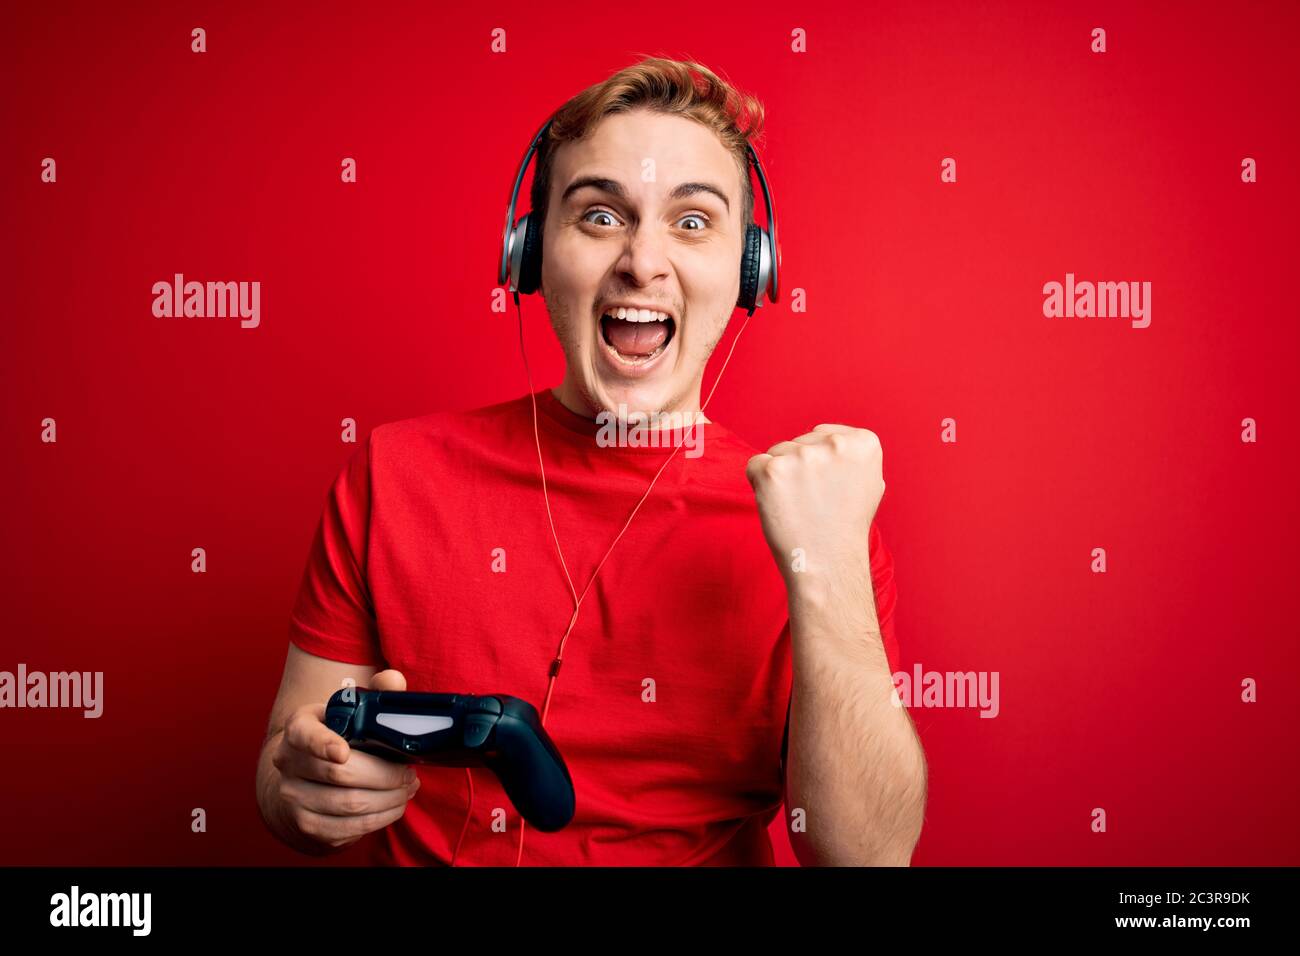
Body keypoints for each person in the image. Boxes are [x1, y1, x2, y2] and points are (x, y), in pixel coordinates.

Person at [255, 56, 926, 866]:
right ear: (531, 254)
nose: (642, 262)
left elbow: (866, 858)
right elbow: (283, 776)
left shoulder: (820, 517)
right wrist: (304, 790)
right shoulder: (391, 475)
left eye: (691, 221)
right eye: (601, 216)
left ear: (752, 272)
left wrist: (829, 573)